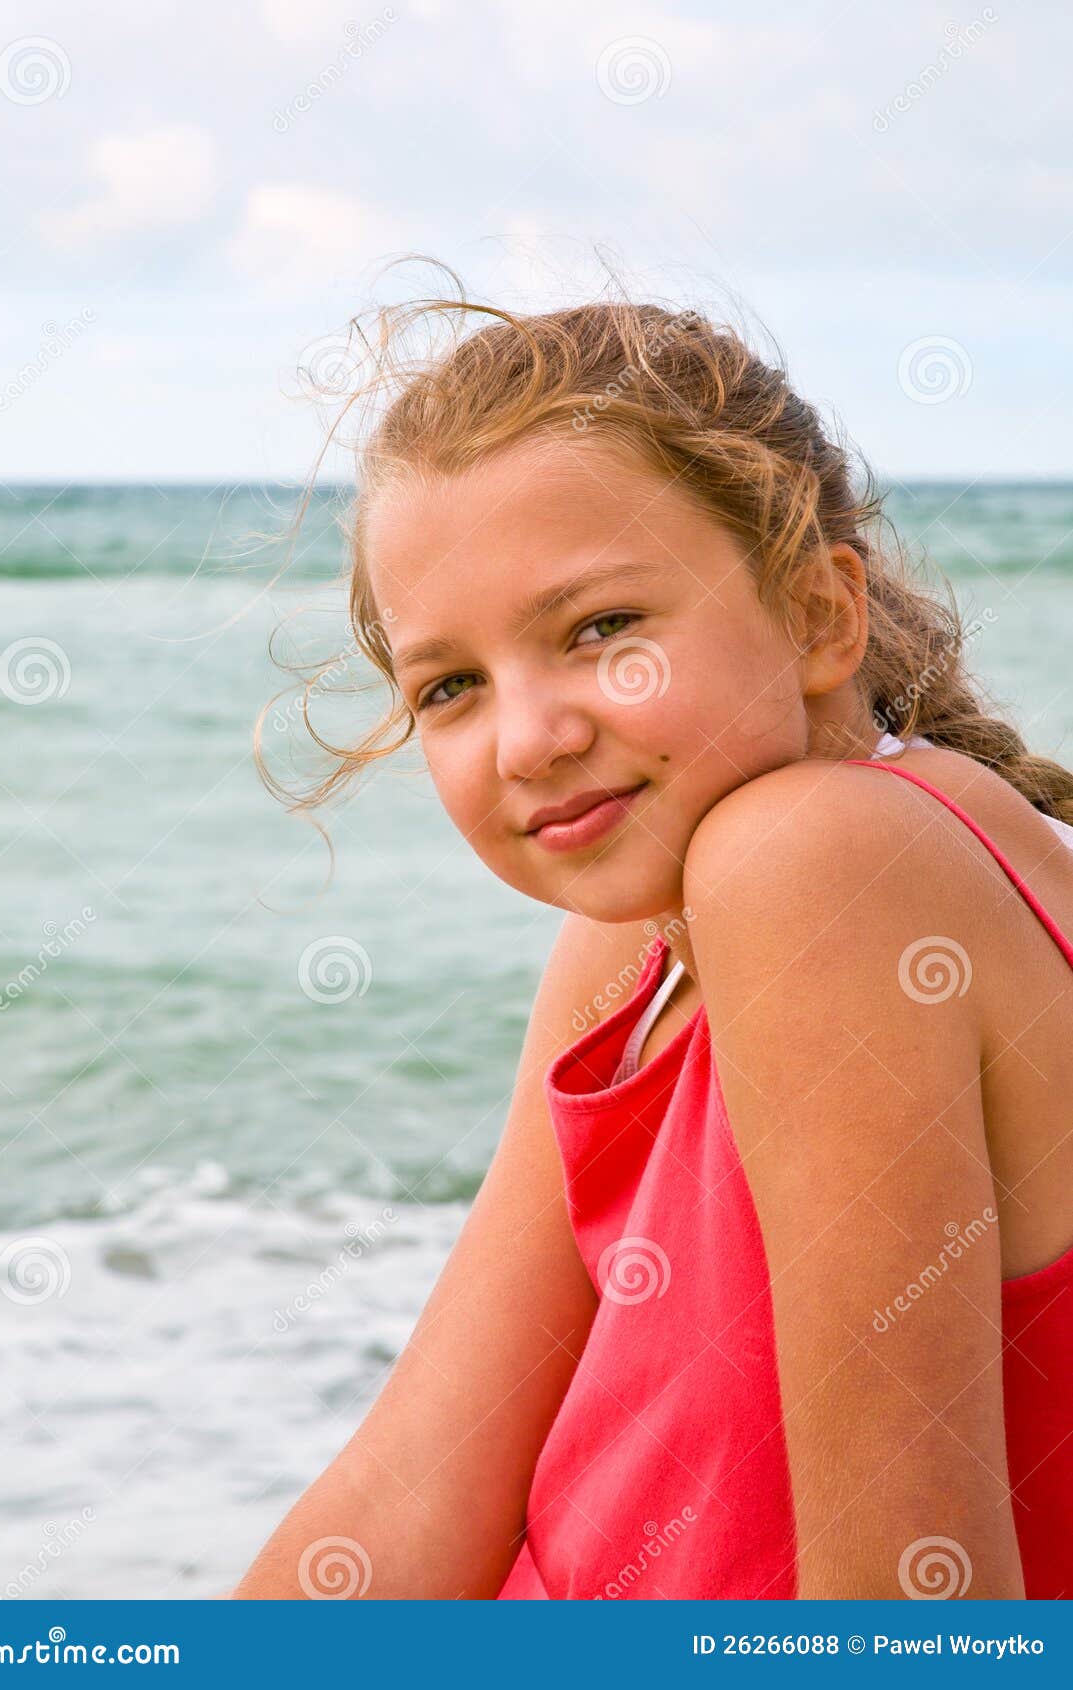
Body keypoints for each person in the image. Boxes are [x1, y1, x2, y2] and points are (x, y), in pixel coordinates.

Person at [233, 271, 1073, 1600]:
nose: (528, 737)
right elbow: (417, 1481)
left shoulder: (814, 859)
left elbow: (912, 1621)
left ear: (815, 614)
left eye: (600, 628)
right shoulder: (633, 947)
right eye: (449, 685)